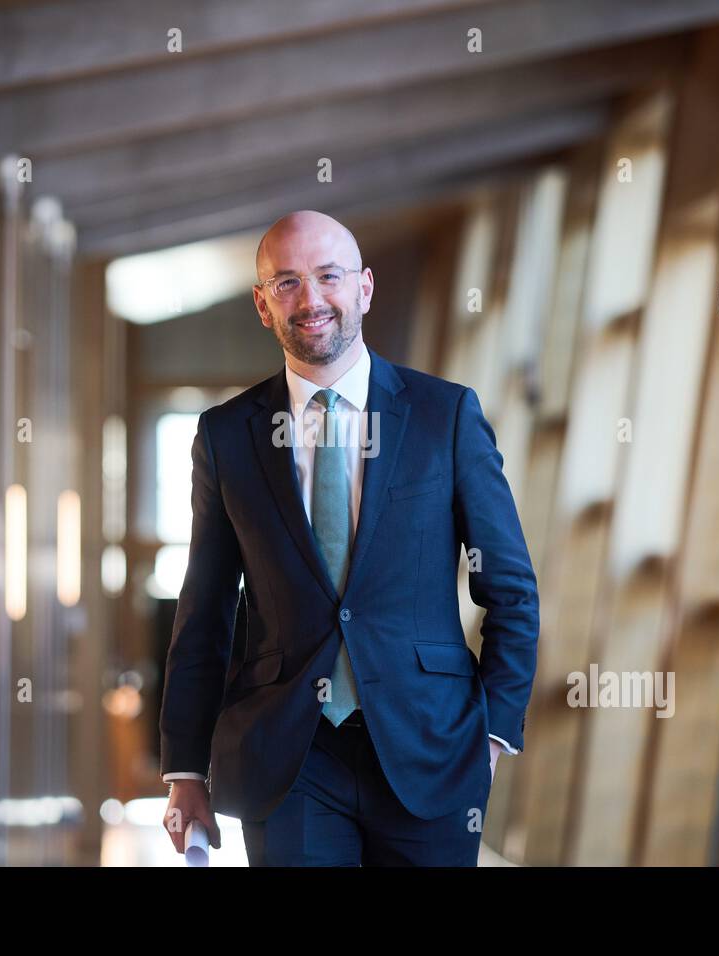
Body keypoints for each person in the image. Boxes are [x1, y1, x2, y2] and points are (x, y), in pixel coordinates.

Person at [158, 210, 539, 865]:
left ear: (364, 288)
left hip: (432, 747)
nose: (310, 300)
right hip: (291, 759)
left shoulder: (444, 415)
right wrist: (186, 768)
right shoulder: (226, 437)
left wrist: (495, 733)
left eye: (328, 277)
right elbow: (206, 611)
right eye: (286, 283)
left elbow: (509, 587)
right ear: (260, 303)